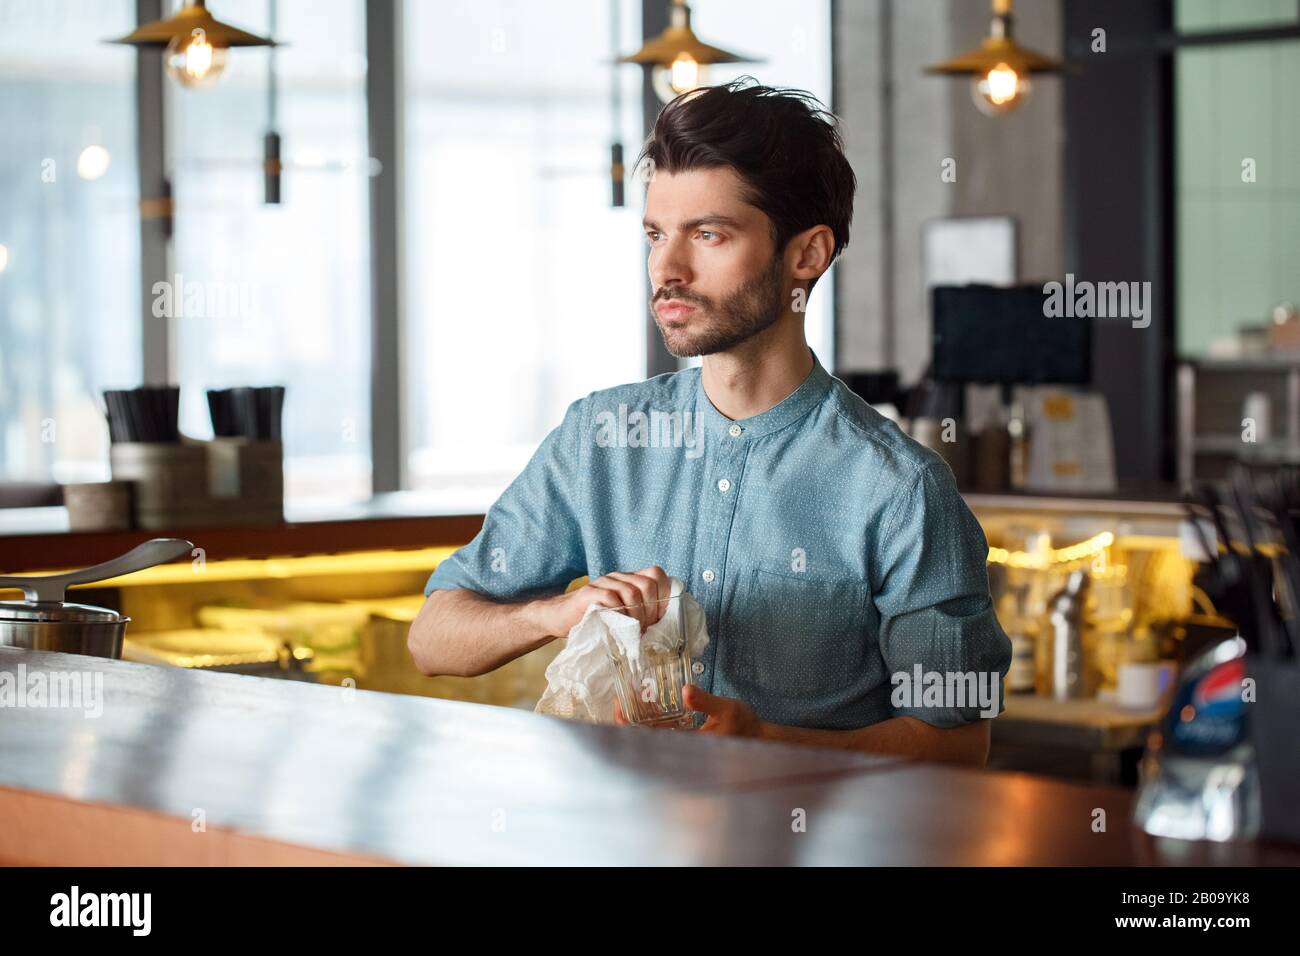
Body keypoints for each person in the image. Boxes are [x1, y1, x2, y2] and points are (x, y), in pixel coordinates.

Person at [408, 79, 1010, 766]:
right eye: (657, 235)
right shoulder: (602, 438)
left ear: (806, 256)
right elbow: (432, 639)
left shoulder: (899, 489)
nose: (667, 268)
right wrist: (555, 613)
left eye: (709, 234)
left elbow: (959, 744)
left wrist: (768, 743)